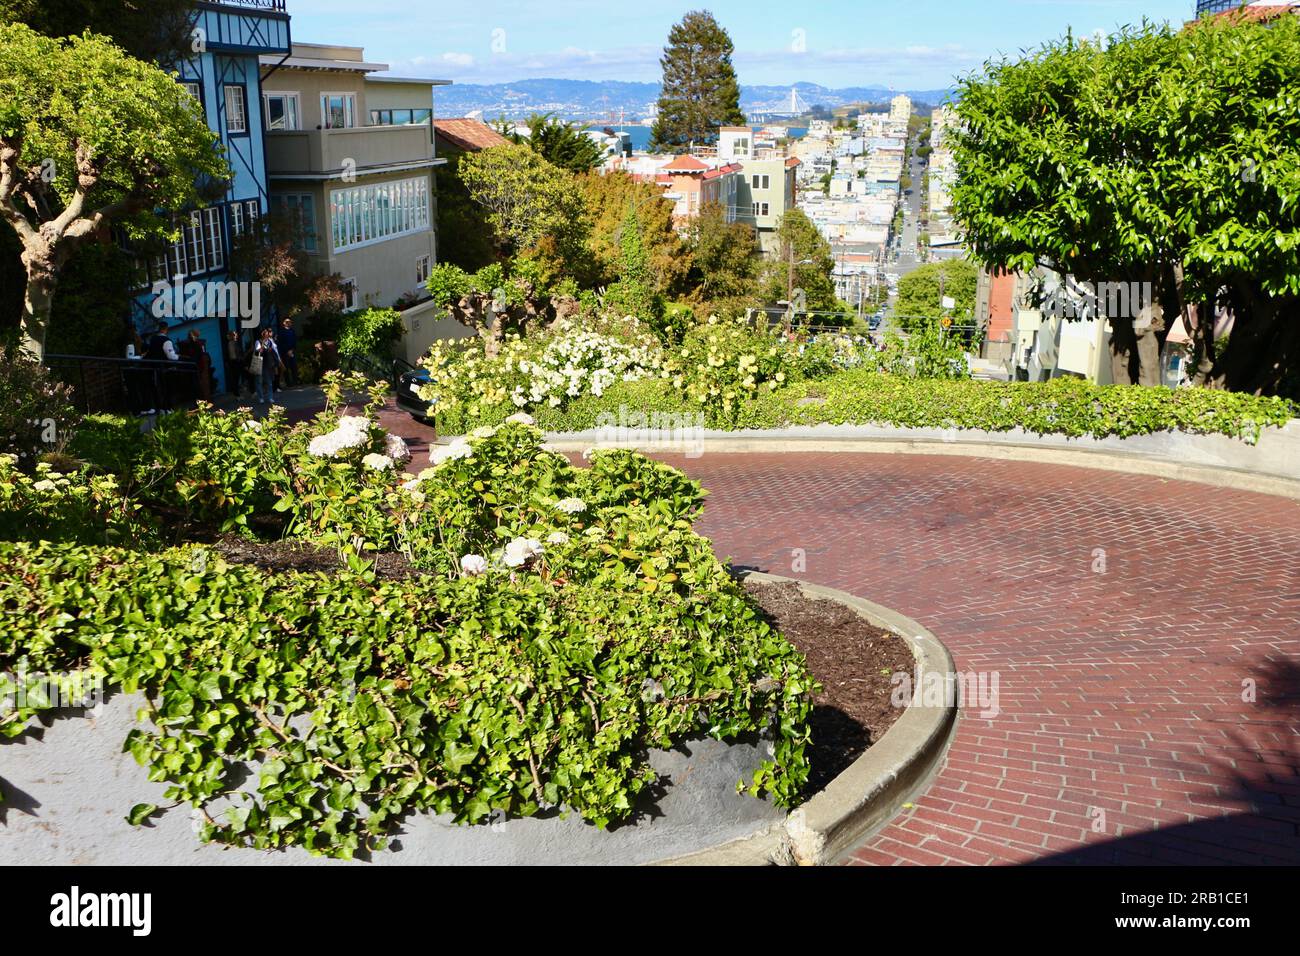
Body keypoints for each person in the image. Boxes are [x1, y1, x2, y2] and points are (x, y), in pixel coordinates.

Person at [250, 327, 283, 405]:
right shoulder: (258, 342)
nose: (267, 334)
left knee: (269, 382)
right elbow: (259, 351)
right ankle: (261, 397)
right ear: (262, 334)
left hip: (268, 364)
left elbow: (275, 351)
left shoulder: (270, 341)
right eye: (265, 333)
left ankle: (270, 397)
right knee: (259, 381)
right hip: (260, 363)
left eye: (267, 333)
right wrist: (263, 343)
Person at [224, 329, 248, 397]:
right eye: (234, 334)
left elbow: (239, 353)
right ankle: (237, 394)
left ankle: (241, 390)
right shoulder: (230, 343)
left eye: (236, 334)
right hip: (234, 363)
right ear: (231, 336)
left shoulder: (236, 343)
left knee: (240, 376)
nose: (236, 335)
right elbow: (232, 355)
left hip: (238, 362)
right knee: (235, 378)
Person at [276, 317, 298, 389]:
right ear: (284, 323)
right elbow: (280, 343)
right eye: (287, 322)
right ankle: (288, 383)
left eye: (290, 322)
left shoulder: (292, 331)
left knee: (294, 366)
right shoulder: (281, 332)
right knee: (286, 367)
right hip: (284, 352)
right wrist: (287, 351)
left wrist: (292, 350)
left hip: (292, 351)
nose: (289, 323)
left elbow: (295, 341)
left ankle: (295, 381)